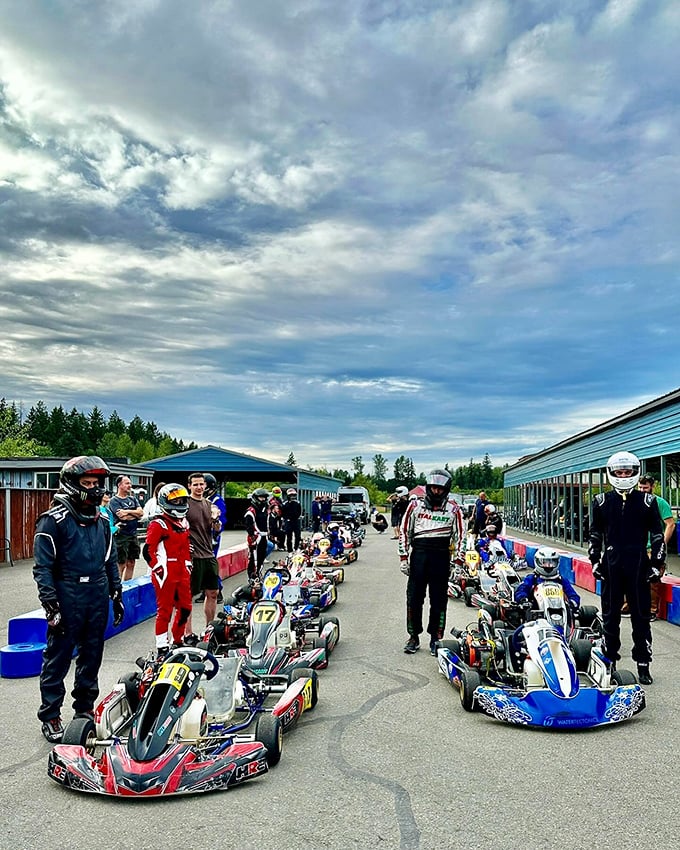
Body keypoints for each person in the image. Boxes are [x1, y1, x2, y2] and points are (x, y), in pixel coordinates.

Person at [32, 456, 124, 742]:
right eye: (87, 483)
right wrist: (51, 605)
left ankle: (84, 709)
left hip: (96, 592)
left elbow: (110, 560)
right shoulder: (53, 521)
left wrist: (116, 592)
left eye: (97, 483)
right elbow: (42, 568)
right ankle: (50, 713)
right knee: (58, 656)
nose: (94, 489)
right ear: (72, 485)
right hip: (67, 592)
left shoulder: (102, 519)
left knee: (92, 654)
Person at [588, 451, 665, 685]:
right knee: (610, 617)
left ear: (635, 472)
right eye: (619, 472)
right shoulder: (601, 501)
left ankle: (643, 664)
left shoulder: (647, 501)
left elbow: (658, 535)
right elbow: (594, 534)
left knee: (641, 618)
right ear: (612, 473)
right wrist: (594, 561)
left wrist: (656, 565)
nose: (623, 475)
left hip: (639, 564)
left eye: (628, 471)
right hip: (612, 565)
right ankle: (609, 662)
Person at [399, 468, 464, 655]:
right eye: (433, 488)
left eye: (440, 489)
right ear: (428, 487)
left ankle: (436, 637)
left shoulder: (454, 509)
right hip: (419, 555)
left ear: (446, 489)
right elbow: (404, 531)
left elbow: (461, 537)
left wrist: (458, 563)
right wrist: (403, 557)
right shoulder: (415, 506)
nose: (436, 492)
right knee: (413, 598)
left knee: (439, 600)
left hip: (441, 557)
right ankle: (413, 636)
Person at [145, 483, 193, 658]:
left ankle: (177, 640)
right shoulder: (158, 524)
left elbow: (187, 547)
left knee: (186, 608)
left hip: (182, 571)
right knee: (164, 610)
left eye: (182, 500)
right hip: (165, 572)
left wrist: (188, 564)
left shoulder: (184, 523)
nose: (180, 503)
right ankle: (162, 646)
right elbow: (148, 551)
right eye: (176, 500)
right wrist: (158, 568)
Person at [184, 472, 222, 642]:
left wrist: (216, 521)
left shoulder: (209, 505)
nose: (199, 487)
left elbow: (216, 529)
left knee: (213, 593)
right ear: (189, 486)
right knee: (188, 596)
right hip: (192, 557)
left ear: (205, 486)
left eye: (201, 484)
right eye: (195, 484)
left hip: (208, 554)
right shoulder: (184, 505)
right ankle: (188, 633)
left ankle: (209, 630)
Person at [639, 474, 675, 620]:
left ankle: (652, 611)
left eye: (645, 488)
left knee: (652, 579)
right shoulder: (633, 502)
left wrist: (661, 544)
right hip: (636, 547)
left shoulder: (660, 503)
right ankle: (629, 606)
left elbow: (670, 524)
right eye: (640, 487)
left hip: (652, 549)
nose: (642, 490)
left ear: (653, 487)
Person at [514, 546, 581, 611]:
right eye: (545, 563)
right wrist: (523, 600)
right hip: (536, 612)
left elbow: (573, 595)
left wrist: (572, 603)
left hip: (560, 609)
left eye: (552, 563)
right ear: (537, 562)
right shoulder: (532, 579)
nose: (548, 566)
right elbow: (521, 590)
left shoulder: (561, 580)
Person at [109, 475, 144, 581]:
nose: (130, 485)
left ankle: (129, 584)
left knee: (131, 562)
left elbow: (141, 513)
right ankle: (118, 587)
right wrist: (134, 514)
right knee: (121, 563)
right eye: (127, 483)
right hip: (121, 535)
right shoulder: (114, 501)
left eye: (130, 483)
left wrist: (128, 512)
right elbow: (122, 517)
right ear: (119, 485)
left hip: (133, 534)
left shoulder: (133, 499)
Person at [244, 488, 270, 579]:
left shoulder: (265, 509)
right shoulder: (250, 511)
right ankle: (252, 577)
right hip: (255, 537)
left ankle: (258, 573)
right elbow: (248, 525)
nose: (262, 500)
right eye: (260, 497)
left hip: (264, 536)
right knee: (253, 559)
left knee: (261, 558)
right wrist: (252, 536)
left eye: (264, 498)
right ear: (255, 498)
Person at [282, 487, 302, 553]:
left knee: (298, 536)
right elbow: (283, 513)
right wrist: (286, 519)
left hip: (296, 521)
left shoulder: (297, 503)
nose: (292, 497)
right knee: (289, 537)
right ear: (288, 496)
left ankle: (296, 548)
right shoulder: (285, 504)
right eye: (291, 495)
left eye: (294, 495)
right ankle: (289, 550)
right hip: (288, 522)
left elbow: (299, 511)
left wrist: (297, 517)